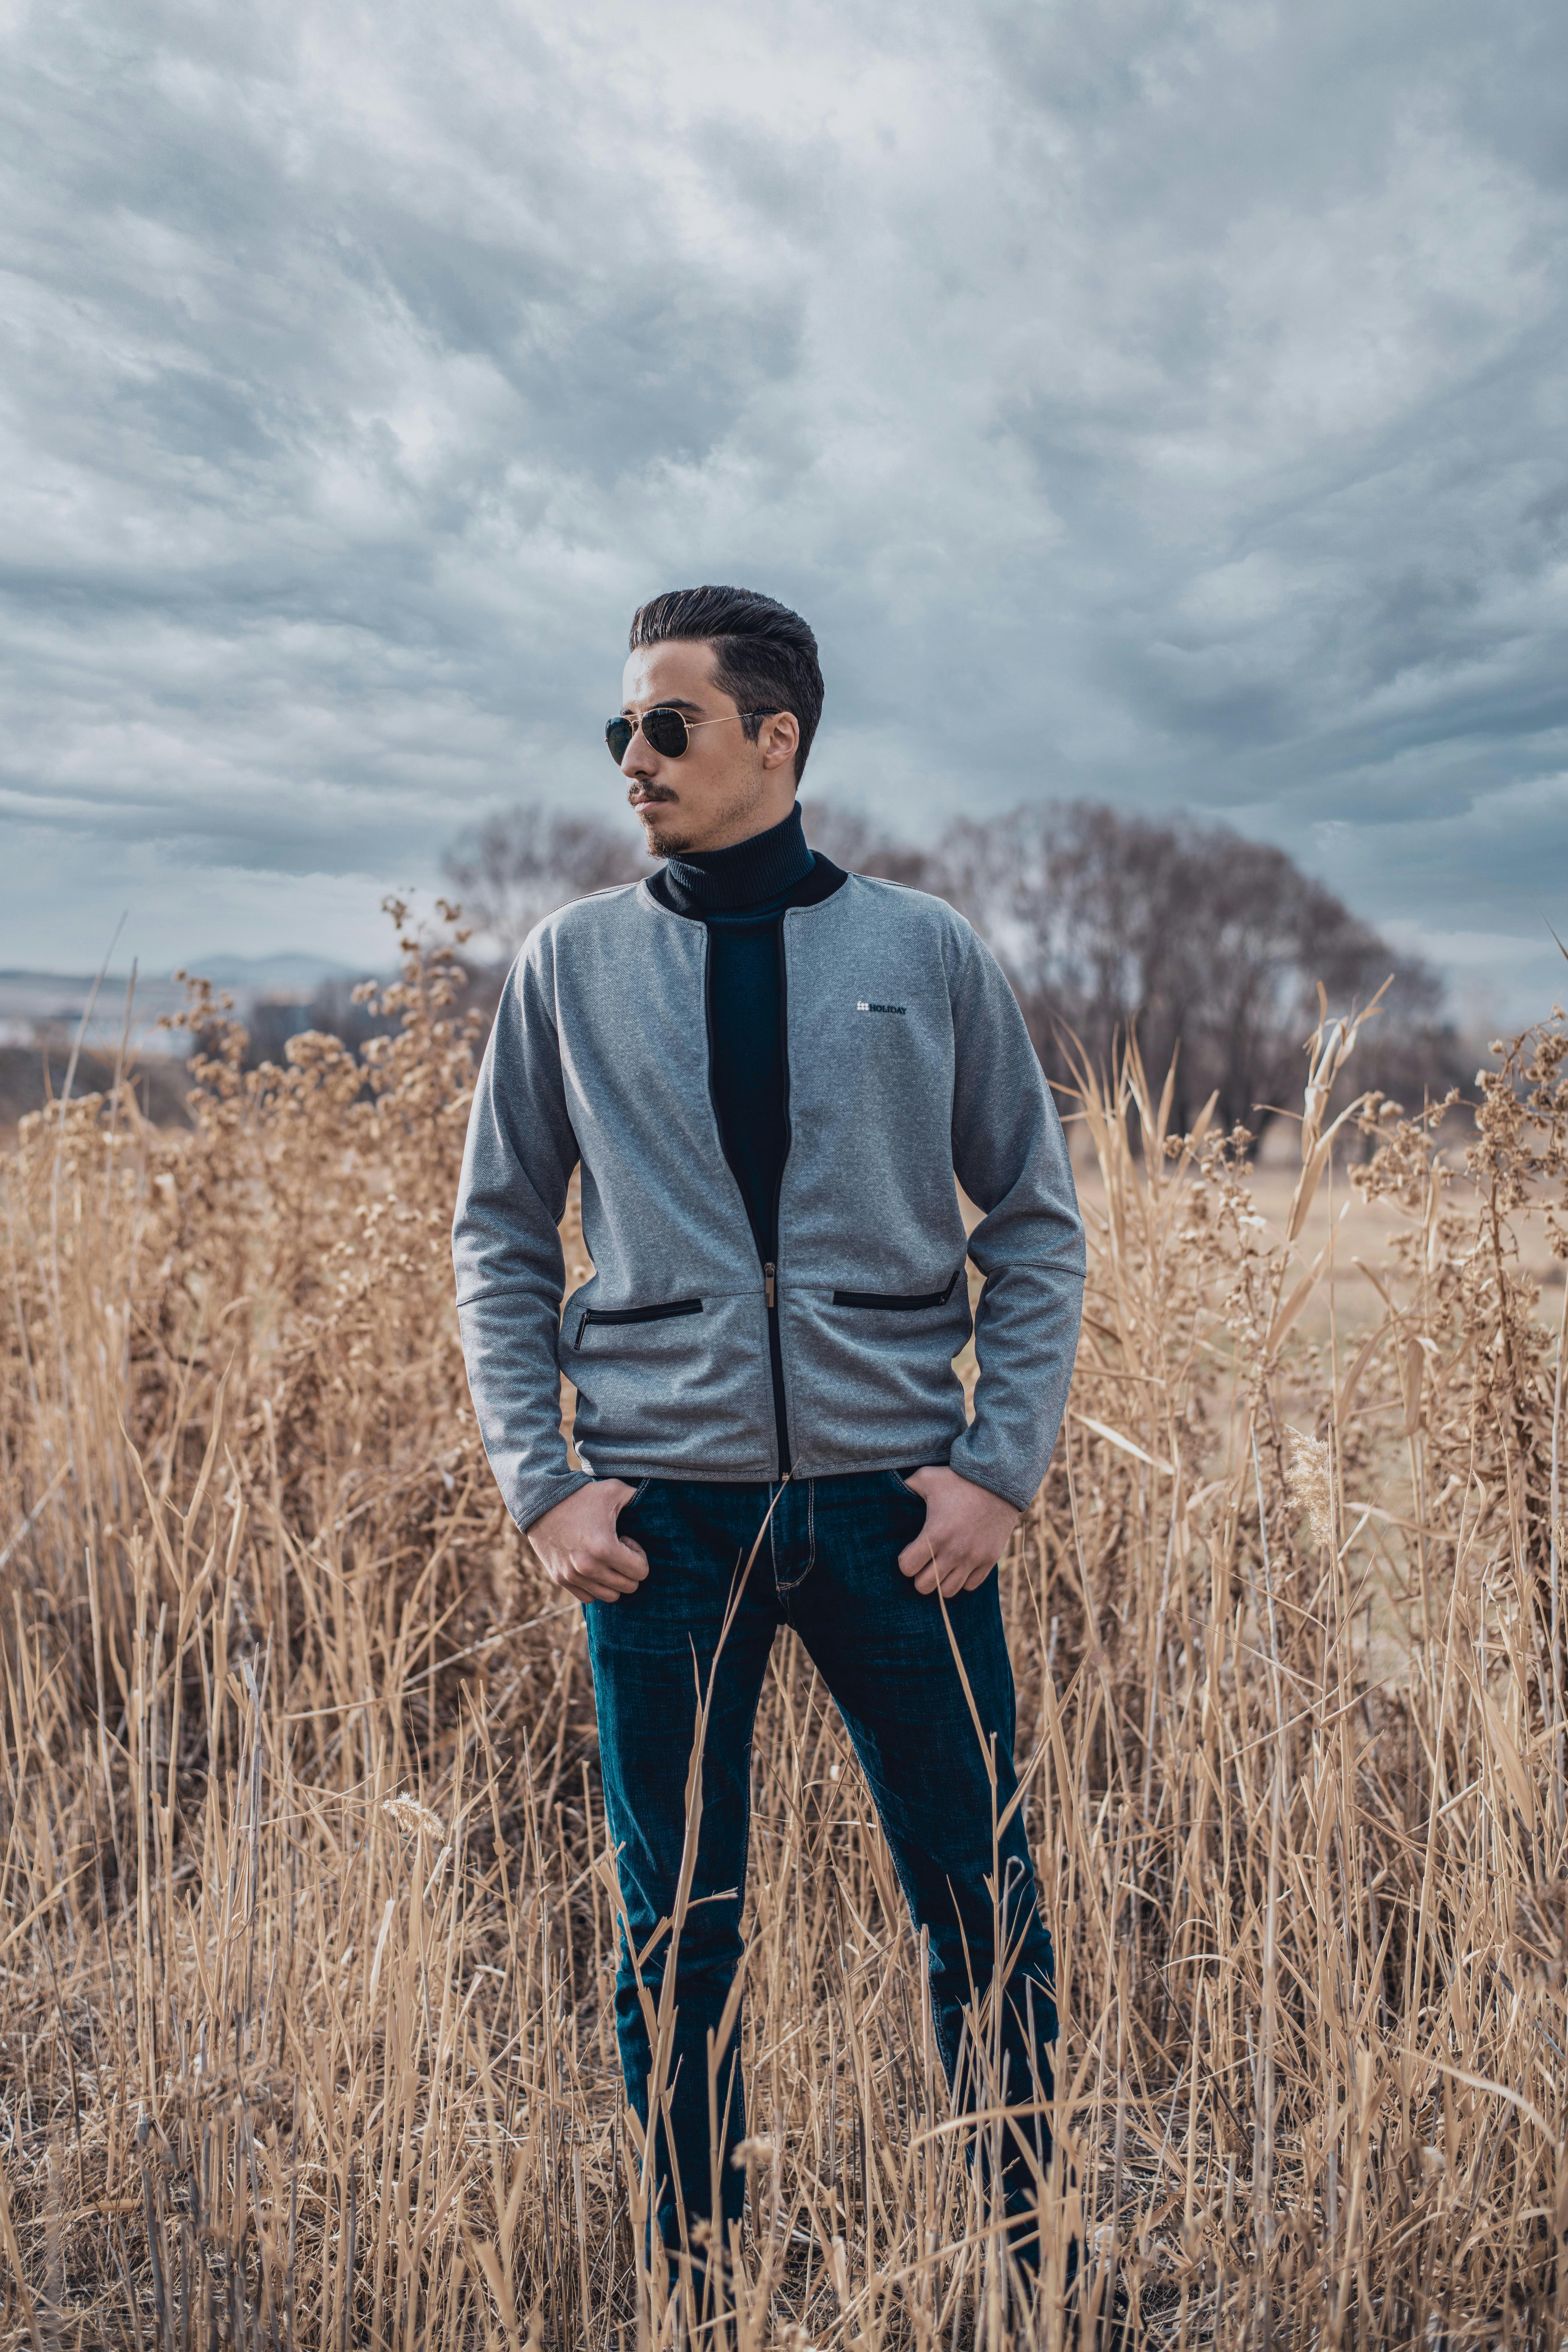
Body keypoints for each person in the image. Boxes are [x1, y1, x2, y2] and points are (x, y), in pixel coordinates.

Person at [452, 585, 1085, 2277]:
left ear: (776, 737)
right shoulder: (568, 964)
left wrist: (998, 1469)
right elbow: (498, 1234)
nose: (633, 760)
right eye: (621, 731)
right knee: (676, 1927)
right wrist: (545, 1484)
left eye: (669, 725)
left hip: (903, 1515)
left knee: (986, 1908)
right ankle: (699, 2273)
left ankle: (1028, 2255)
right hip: (666, 1523)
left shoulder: (926, 952)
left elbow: (1035, 1220)